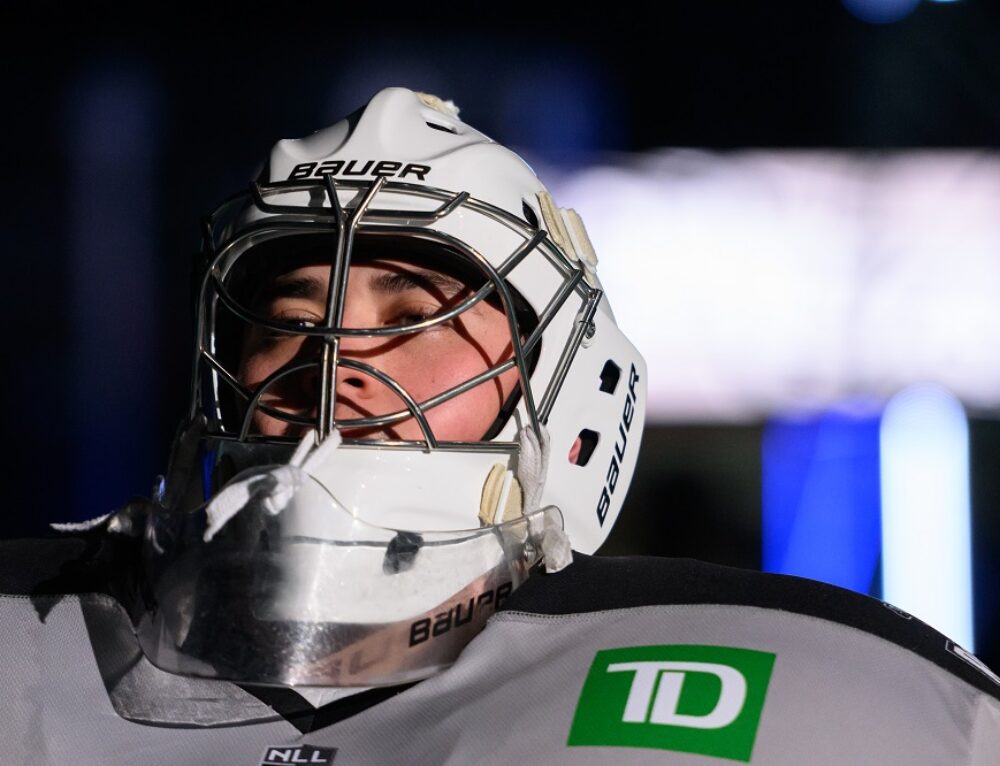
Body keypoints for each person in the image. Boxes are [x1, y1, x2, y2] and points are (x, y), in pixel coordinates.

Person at [2, 87, 997, 765]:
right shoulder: (32, 631)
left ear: (564, 392)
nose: (339, 358)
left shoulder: (829, 687)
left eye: (409, 317)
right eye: (292, 318)